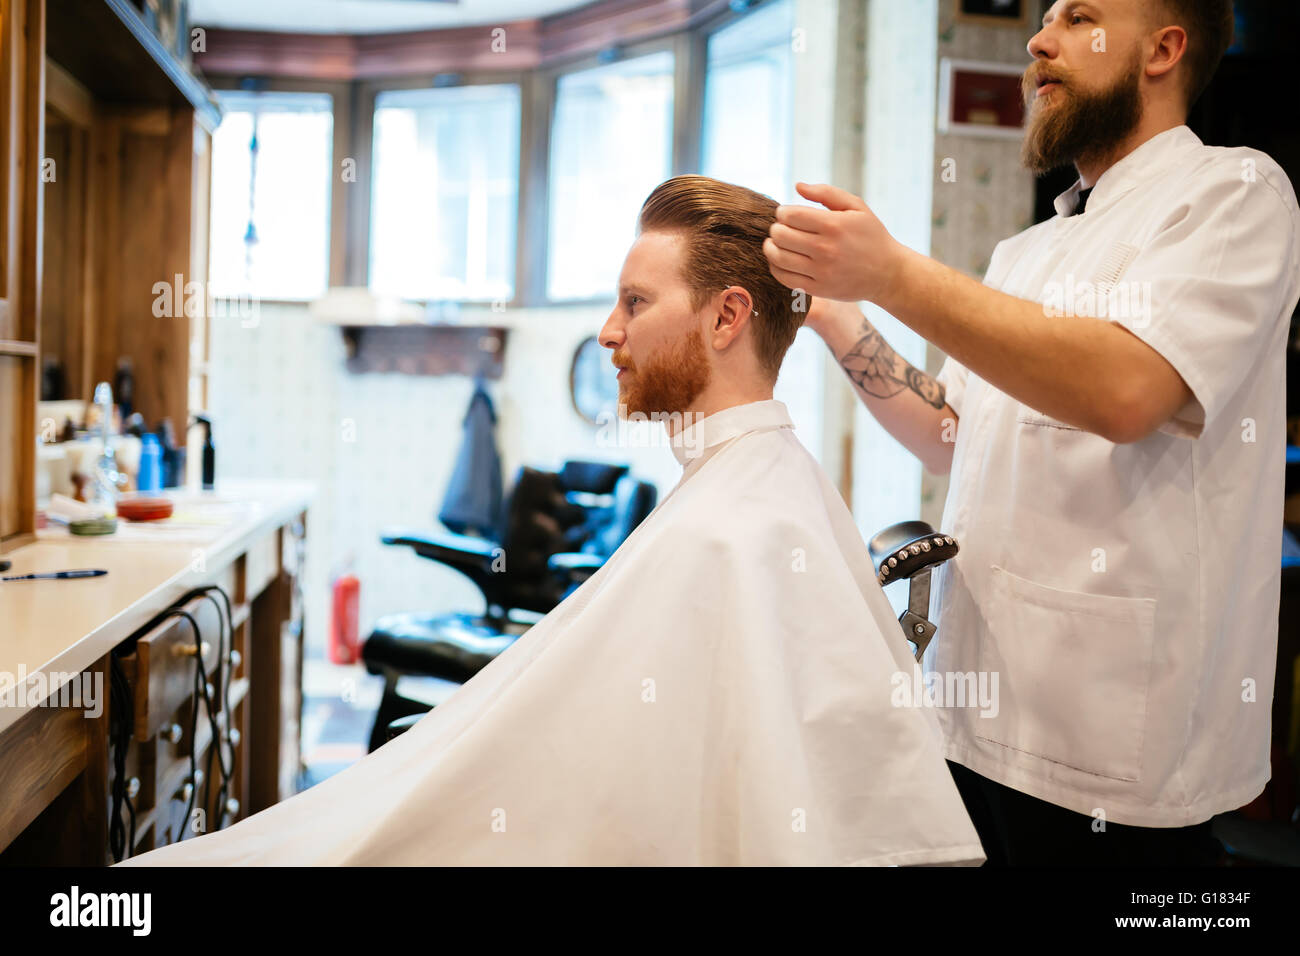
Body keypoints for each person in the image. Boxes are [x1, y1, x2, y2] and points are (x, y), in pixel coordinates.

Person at [119, 175, 983, 867]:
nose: (609, 333)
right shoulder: (752, 494)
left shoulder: (736, 528)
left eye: (635, 304)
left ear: (727, 317)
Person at [763, 0, 1300, 865]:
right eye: (1041, 18)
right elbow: (952, 434)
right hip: (975, 714)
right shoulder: (1028, 251)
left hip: (1116, 751)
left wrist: (897, 271)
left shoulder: (1233, 195)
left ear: (1164, 48)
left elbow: (1127, 391)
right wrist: (839, 316)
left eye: (1076, 16)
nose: (1037, 39)